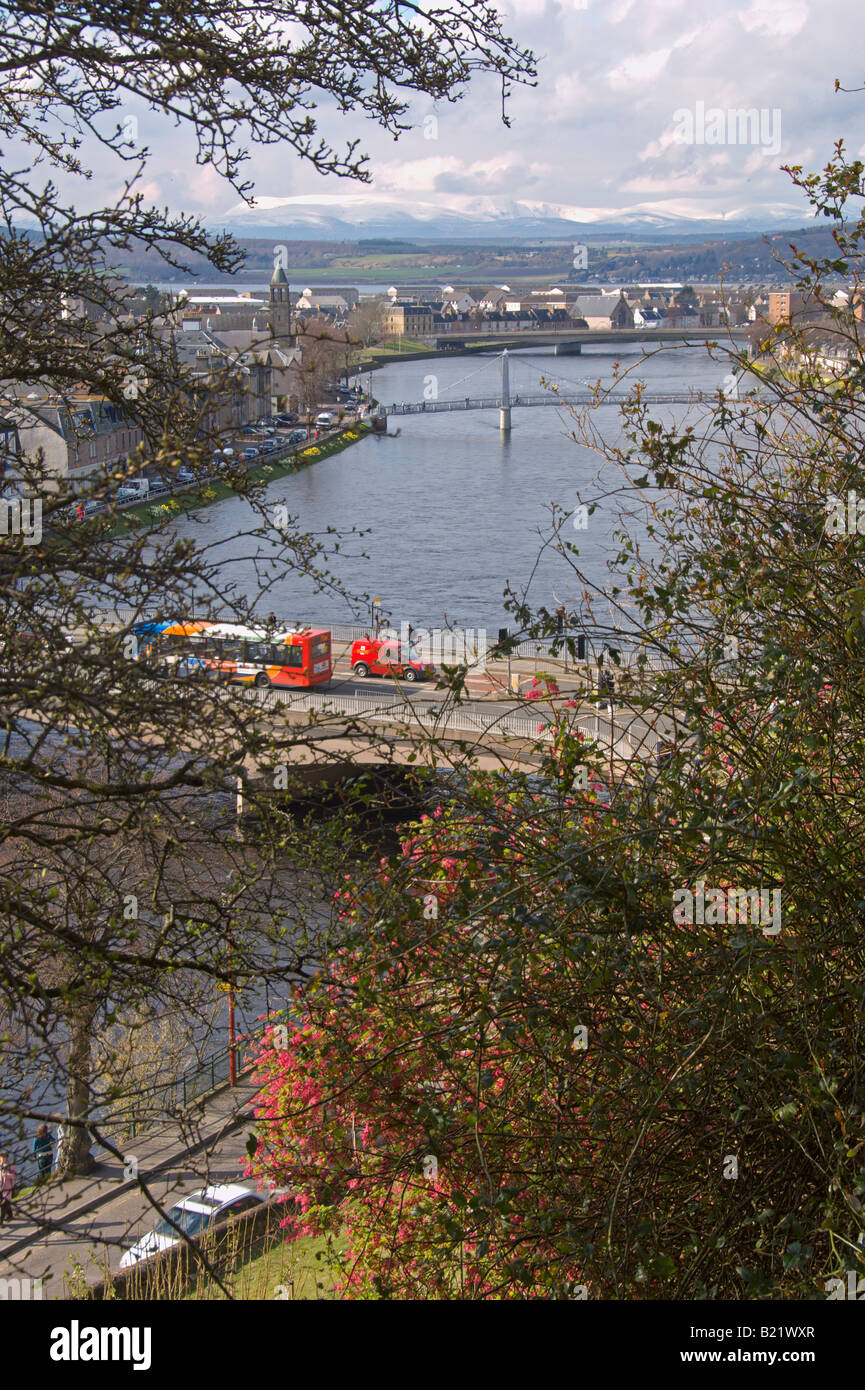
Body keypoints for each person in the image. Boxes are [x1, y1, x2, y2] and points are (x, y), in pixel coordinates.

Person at [0, 1153, 18, 1223]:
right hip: (0, 1188)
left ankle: (1, 1221)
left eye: (4, 1158)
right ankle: (10, 1215)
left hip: (8, 1188)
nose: (3, 1159)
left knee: (4, 1204)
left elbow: (15, 1175)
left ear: (7, 1158)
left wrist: (6, 1175)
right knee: (4, 1203)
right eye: (1, 1157)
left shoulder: (10, 1166)